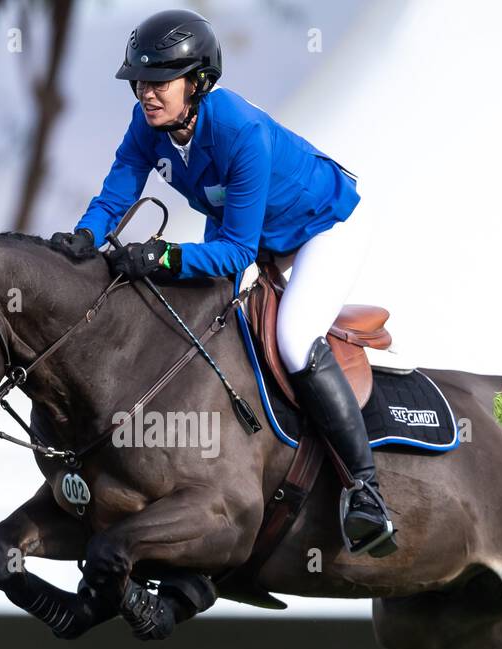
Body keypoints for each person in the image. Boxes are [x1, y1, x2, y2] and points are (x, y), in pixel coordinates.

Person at [52, 8, 395, 556]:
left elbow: (235, 251)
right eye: (140, 82)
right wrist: (86, 237)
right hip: (252, 228)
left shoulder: (241, 133)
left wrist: (163, 256)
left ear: (198, 82)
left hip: (323, 226)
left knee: (293, 337)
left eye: (160, 81)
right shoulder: (150, 125)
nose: (146, 93)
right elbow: (118, 189)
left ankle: (366, 492)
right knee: (204, 322)